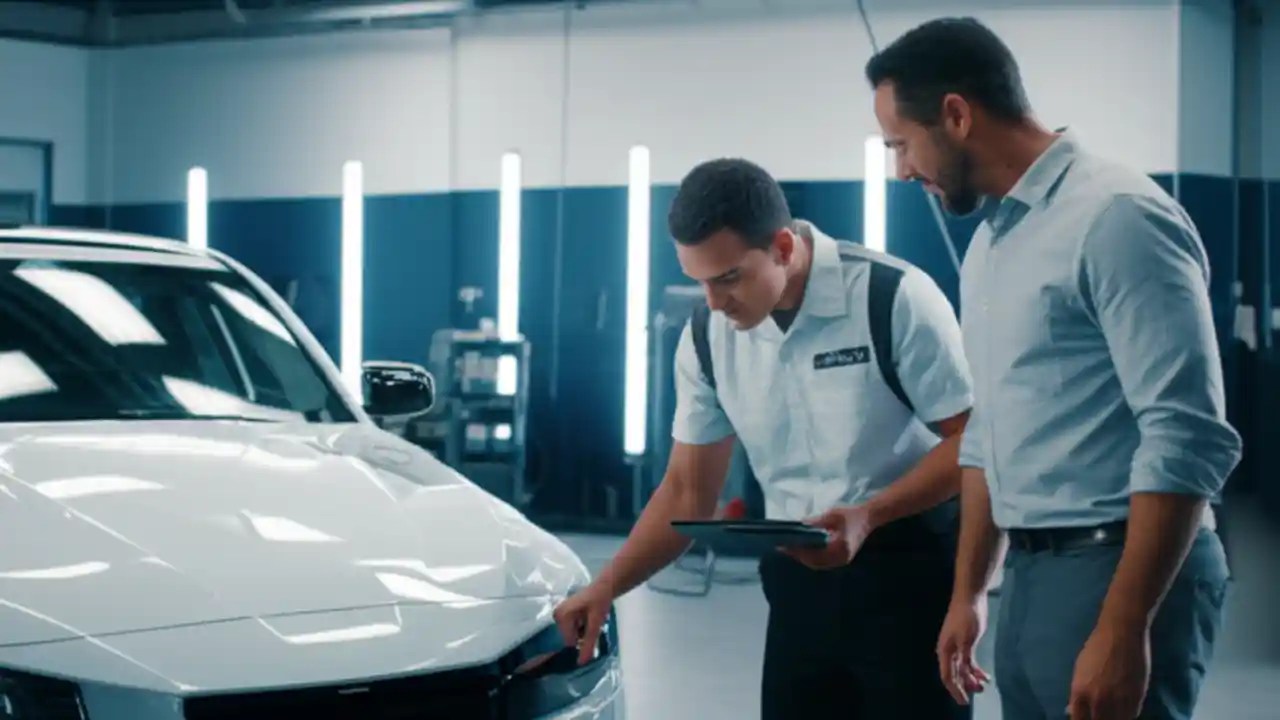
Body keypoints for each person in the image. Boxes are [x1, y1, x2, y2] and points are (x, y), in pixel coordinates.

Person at [864, 17, 1242, 720]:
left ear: (956, 114)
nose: (902, 170)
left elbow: (1186, 434)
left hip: (1120, 568)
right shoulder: (992, 247)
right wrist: (970, 591)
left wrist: (1124, 626)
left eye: (901, 144)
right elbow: (986, 438)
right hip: (1030, 575)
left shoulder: (1117, 217)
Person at [553, 157, 978, 719]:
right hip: (796, 584)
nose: (714, 301)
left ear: (782, 247)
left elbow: (974, 444)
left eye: (728, 277)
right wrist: (607, 586)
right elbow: (686, 491)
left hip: (911, 577)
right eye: (699, 281)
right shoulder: (706, 336)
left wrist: (871, 514)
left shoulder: (894, 297)